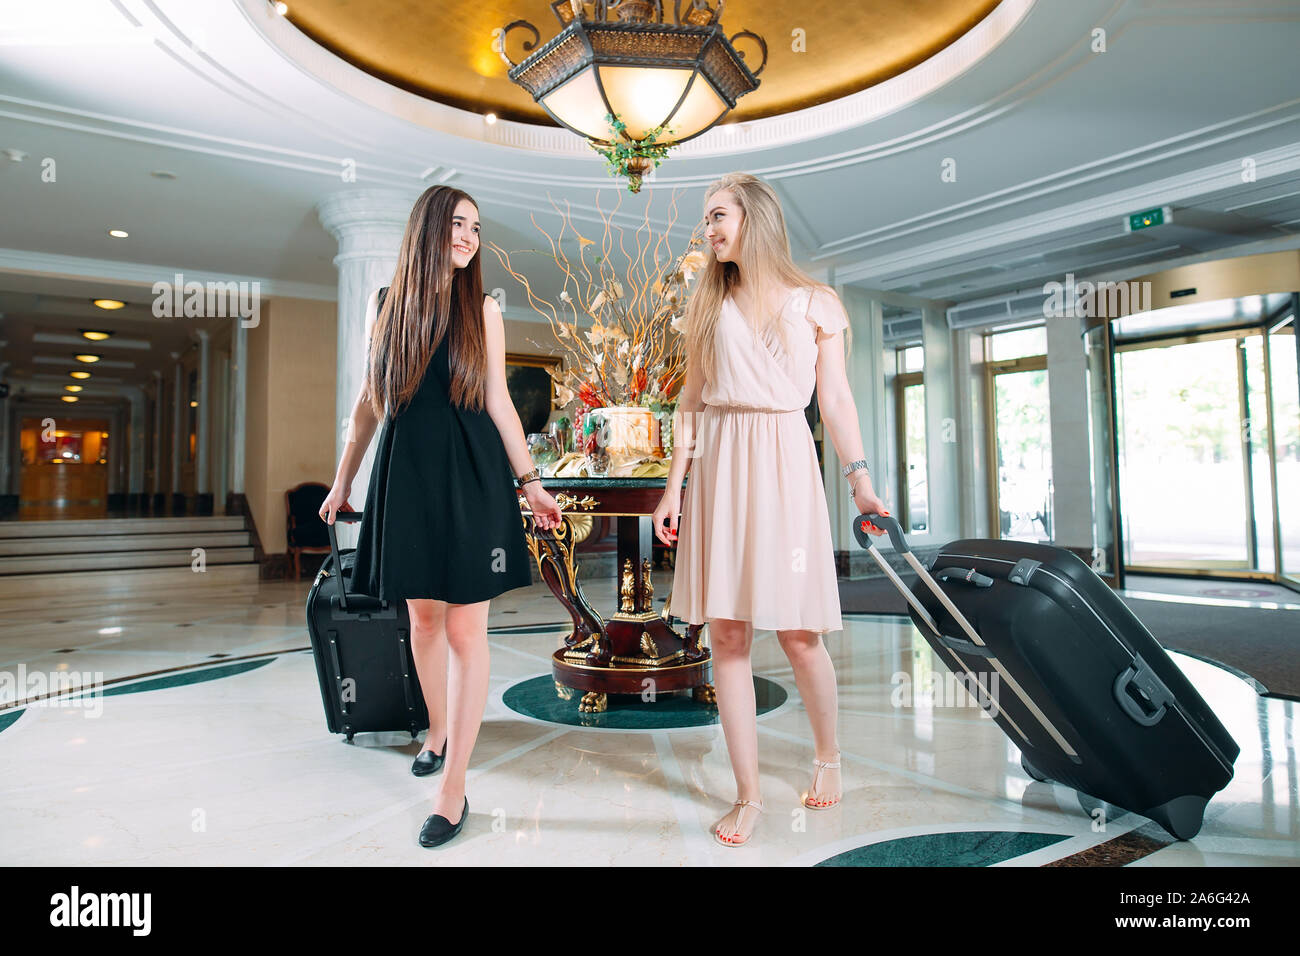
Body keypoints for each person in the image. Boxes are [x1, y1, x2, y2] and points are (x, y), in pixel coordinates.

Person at [319, 185, 563, 848]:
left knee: (463, 631)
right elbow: (369, 402)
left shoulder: (482, 309)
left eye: (476, 228)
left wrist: (532, 483)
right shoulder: (385, 306)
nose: (468, 237)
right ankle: (438, 729)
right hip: (406, 475)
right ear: (428, 227)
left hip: (471, 474)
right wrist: (342, 481)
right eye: (458, 223)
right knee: (422, 621)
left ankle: (452, 790)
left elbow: (500, 403)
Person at [651, 172, 890, 848]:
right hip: (722, 463)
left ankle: (828, 755)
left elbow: (834, 399)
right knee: (726, 636)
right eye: (706, 218)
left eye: (718, 215)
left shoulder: (816, 303)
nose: (708, 229)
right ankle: (748, 792)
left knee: (797, 633)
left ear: (753, 219)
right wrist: (673, 487)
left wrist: (860, 480)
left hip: (786, 461)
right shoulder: (707, 303)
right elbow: (691, 405)